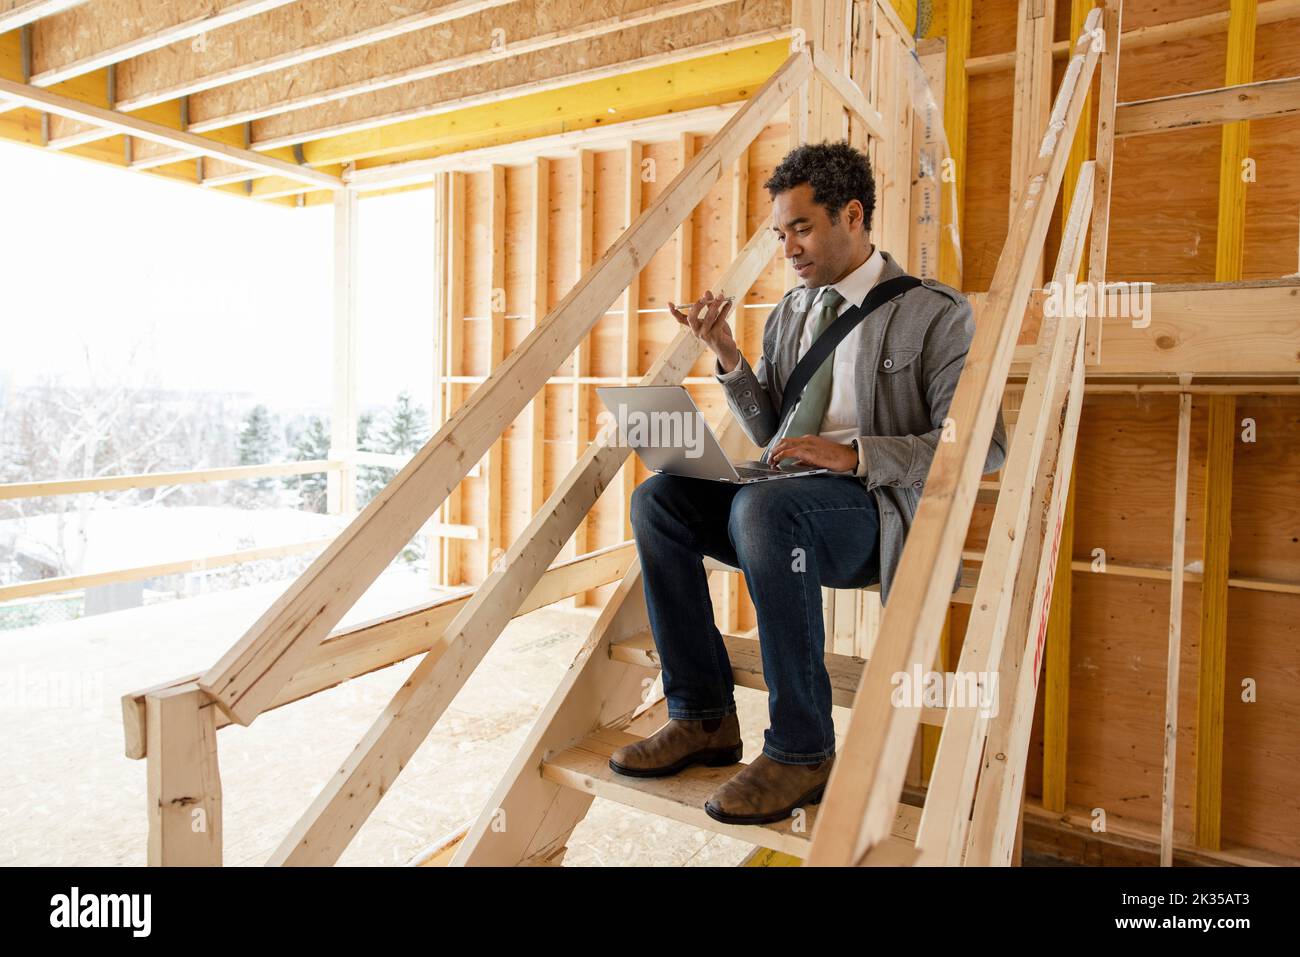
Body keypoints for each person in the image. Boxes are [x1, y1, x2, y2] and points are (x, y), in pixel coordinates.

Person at [610, 140, 1007, 826]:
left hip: (868, 512)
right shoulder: (793, 312)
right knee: (660, 500)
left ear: (852, 215)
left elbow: (984, 445)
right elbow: (772, 427)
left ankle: (802, 749)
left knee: (763, 511)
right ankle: (702, 715)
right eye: (780, 233)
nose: (788, 247)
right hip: (780, 503)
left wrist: (852, 458)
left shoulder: (936, 314)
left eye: (801, 228)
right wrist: (728, 354)